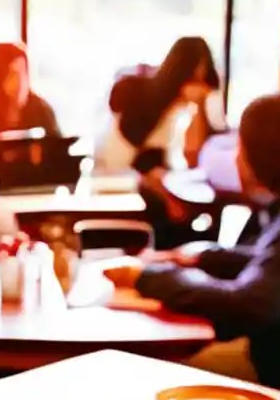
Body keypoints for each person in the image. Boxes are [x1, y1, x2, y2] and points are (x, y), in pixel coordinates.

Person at [103, 94, 280, 392]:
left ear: (266, 154)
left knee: (138, 369)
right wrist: (201, 258)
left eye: (241, 146)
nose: (236, 157)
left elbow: (246, 306)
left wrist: (146, 277)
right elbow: (276, 260)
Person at [97, 37, 226, 247]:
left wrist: (200, 107)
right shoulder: (145, 104)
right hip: (123, 186)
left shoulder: (185, 113)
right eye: (193, 78)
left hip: (162, 184)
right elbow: (128, 163)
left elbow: (194, 156)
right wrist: (167, 196)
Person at [0, 42, 61, 176]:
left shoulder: (42, 110)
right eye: (13, 75)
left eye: (24, 74)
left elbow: (59, 155)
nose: (20, 82)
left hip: (38, 188)